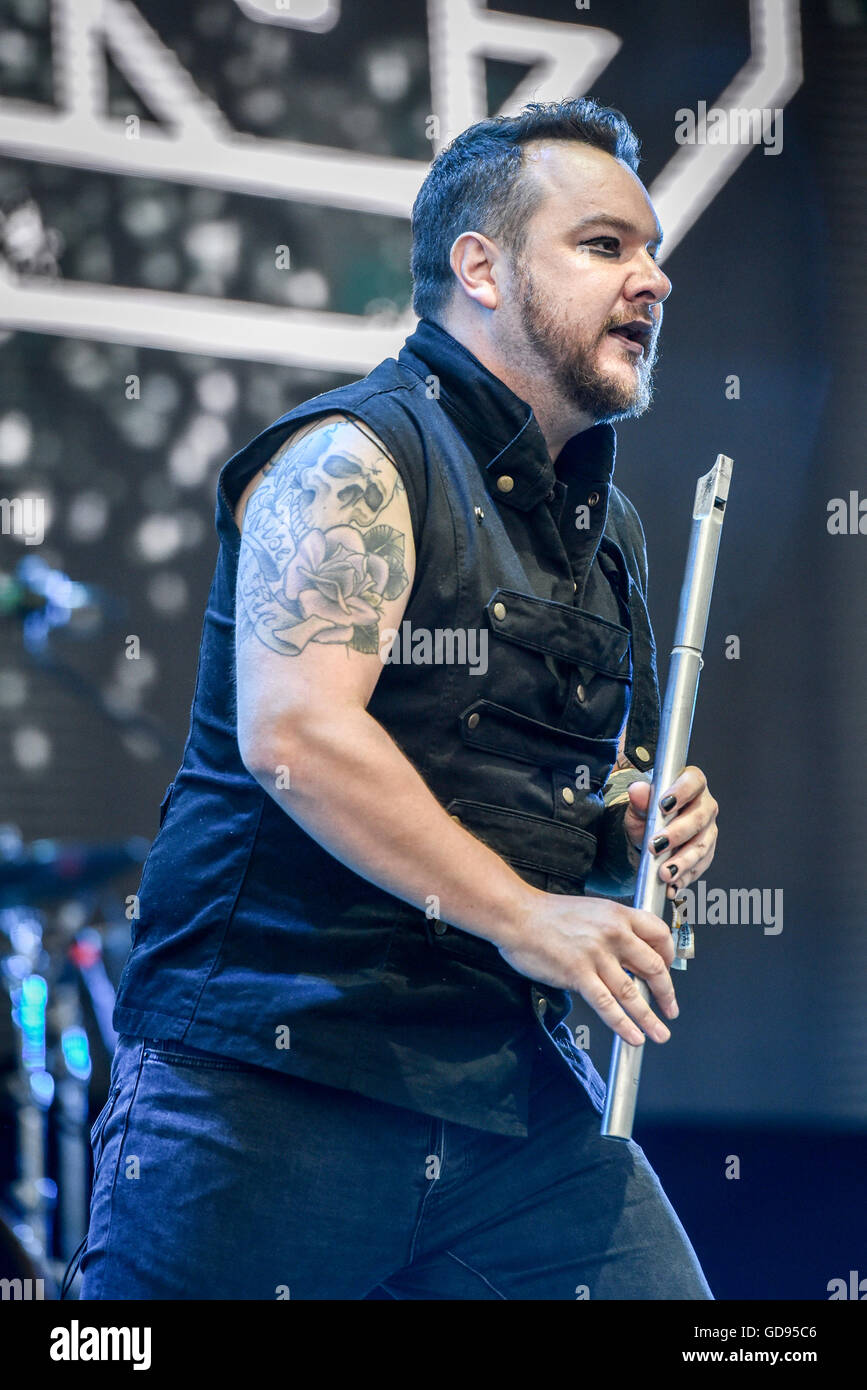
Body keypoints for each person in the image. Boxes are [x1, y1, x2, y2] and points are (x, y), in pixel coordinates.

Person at [78, 97, 719, 1301]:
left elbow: (535, 780)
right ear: (480, 267)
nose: (654, 281)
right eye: (606, 246)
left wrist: (630, 819)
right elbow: (299, 737)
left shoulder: (609, 527)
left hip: (507, 1101)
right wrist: (532, 914)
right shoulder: (354, 457)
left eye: (654, 252)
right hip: (272, 1088)